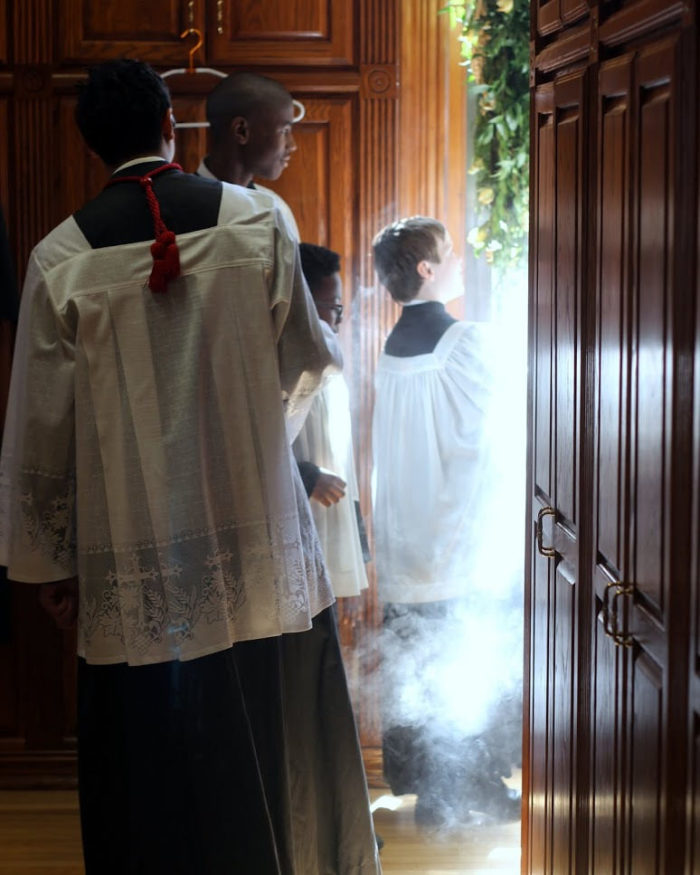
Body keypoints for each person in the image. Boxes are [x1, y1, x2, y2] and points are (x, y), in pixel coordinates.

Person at [0, 60, 380, 874]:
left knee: (153, 749)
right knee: (263, 732)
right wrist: (249, 437)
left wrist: (51, 561)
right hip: (253, 530)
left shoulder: (59, 256)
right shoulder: (253, 223)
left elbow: (42, 424)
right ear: (172, 125)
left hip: (129, 538)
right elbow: (310, 359)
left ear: (93, 145)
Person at [371, 216, 521, 826]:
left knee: (422, 666)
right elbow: (514, 423)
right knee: (466, 660)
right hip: (460, 538)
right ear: (426, 269)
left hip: (407, 537)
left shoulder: (389, 347)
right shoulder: (467, 343)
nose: (459, 261)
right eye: (450, 253)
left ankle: (435, 789)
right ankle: (469, 787)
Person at [293, 243, 369, 604]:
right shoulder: (283, 361)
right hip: (297, 522)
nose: (339, 319)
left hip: (326, 521)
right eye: (333, 307)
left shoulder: (327, 354)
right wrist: (306, 476)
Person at [198, 71, 300, 239]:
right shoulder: (179, 209)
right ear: (241, 130)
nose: (292, 145)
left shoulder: (276, 212)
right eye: (284, 131)